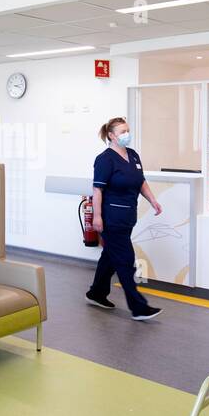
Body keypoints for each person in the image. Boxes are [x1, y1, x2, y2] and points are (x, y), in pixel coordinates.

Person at [86, 117, 163, 320]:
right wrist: (97, 217)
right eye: (122, 131)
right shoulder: (105, 159)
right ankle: (138, 307)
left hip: (128, 216)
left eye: (127, 130)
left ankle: (97, 293)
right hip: (111, 218)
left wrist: (153, 200)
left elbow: (141, 182)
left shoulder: (133, 155)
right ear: (111, 135)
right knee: (126, 259)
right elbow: (97, 189)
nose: (126, 134)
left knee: (110, 257)